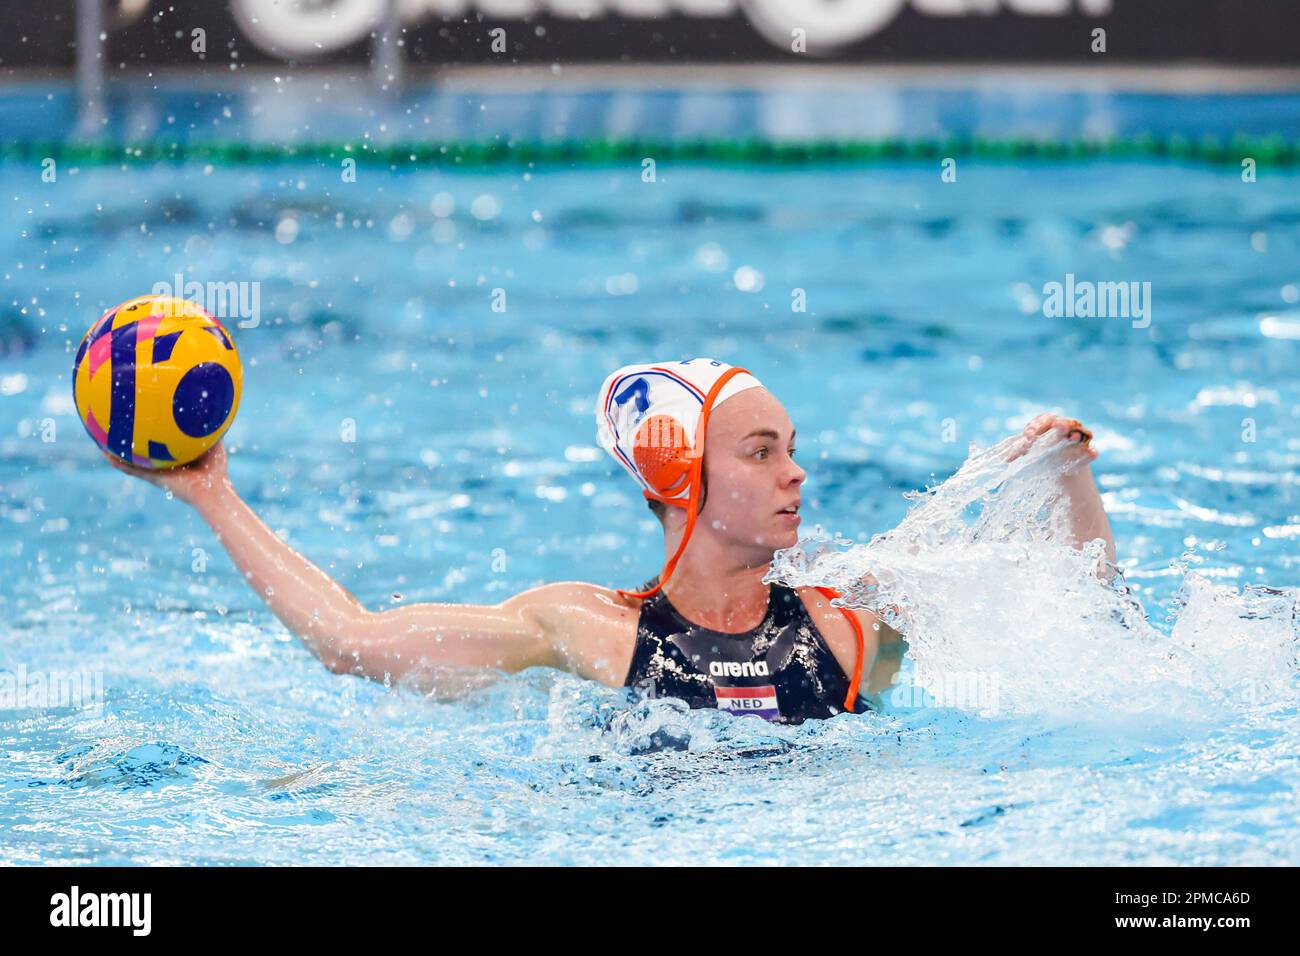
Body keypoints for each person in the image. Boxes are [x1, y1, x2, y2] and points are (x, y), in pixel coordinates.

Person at [104, 358, 1115, 724]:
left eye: (792, 448)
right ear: (680, 476)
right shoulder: (585, 629)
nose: (796, 472)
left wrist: (1068, 483)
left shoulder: (853, 623)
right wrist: (212, 492)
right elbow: (351, 641)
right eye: (760, 451)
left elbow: (1085, 625)